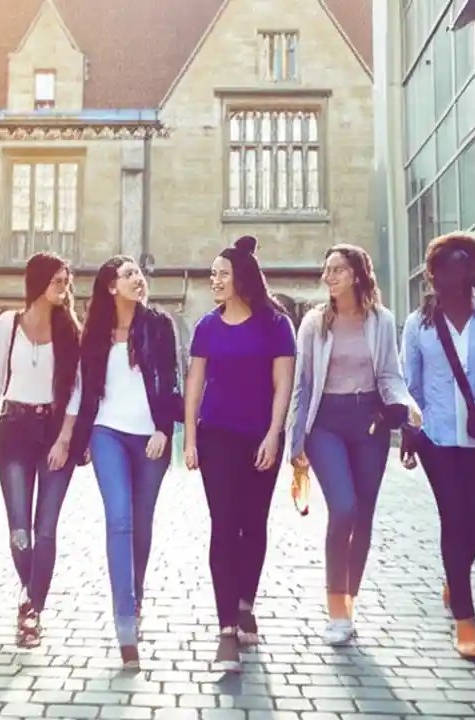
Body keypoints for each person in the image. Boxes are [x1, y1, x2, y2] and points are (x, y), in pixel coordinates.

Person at [288, 244, 420, 646]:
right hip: (325, 422)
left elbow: (390, 375)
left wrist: (406, 408)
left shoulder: (381, 320)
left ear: (358, 275)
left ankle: (350, 598)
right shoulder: (314, 323)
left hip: (369, 425)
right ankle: (335, 610)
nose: (329, 277)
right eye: (326, 269)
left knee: (363, 515)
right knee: (342, 508)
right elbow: (303, 384)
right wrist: (296, 441)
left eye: (338, 270)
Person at [401, 232, 475, 660]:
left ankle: (456, 577)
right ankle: (466, 620)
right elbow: (408, 386)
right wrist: (408, 434)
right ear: (433, 274)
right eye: (442, 267)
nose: (451, 274)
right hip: (436, 436)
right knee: (453, 518)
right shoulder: (419, 324)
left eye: (460, 264)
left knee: (474, 527)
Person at [183, 235, 295, 672]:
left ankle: (247, 600)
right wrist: (190, 439)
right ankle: (226, 627)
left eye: (221, 274)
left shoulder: (276, 324)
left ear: (242, 278)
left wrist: (274, 433)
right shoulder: (207, 326)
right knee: (224, 526)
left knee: (254, 524)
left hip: (261, 438)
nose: (214, 280)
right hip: (217, 438)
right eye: (212, 274)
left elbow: (283, 383)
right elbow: (194, 385)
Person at [70, 255, 181, 669]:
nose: (139, 278)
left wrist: (164, 431)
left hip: (150, 438)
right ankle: (124, 622)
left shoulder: (159, 326)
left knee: (141, 523)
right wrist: (79, 439)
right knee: (118, 519)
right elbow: (87, 393)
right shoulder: (95, 333)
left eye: (140, 273)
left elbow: (169, 381)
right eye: (129, 274)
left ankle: (136, 597)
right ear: (111, 286)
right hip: (107, 434)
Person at [0, 252, 82, 648]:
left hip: (55, 430)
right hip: (15, 429)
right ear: (38, 282)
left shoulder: (70, 328)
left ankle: (32, 610)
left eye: (66, 281)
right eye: (57, 281)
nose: (64, 288)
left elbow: (77, 389)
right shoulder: (10, 323)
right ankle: (30, 594)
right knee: (20, 531)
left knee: (46, 530)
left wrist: (64, 440)